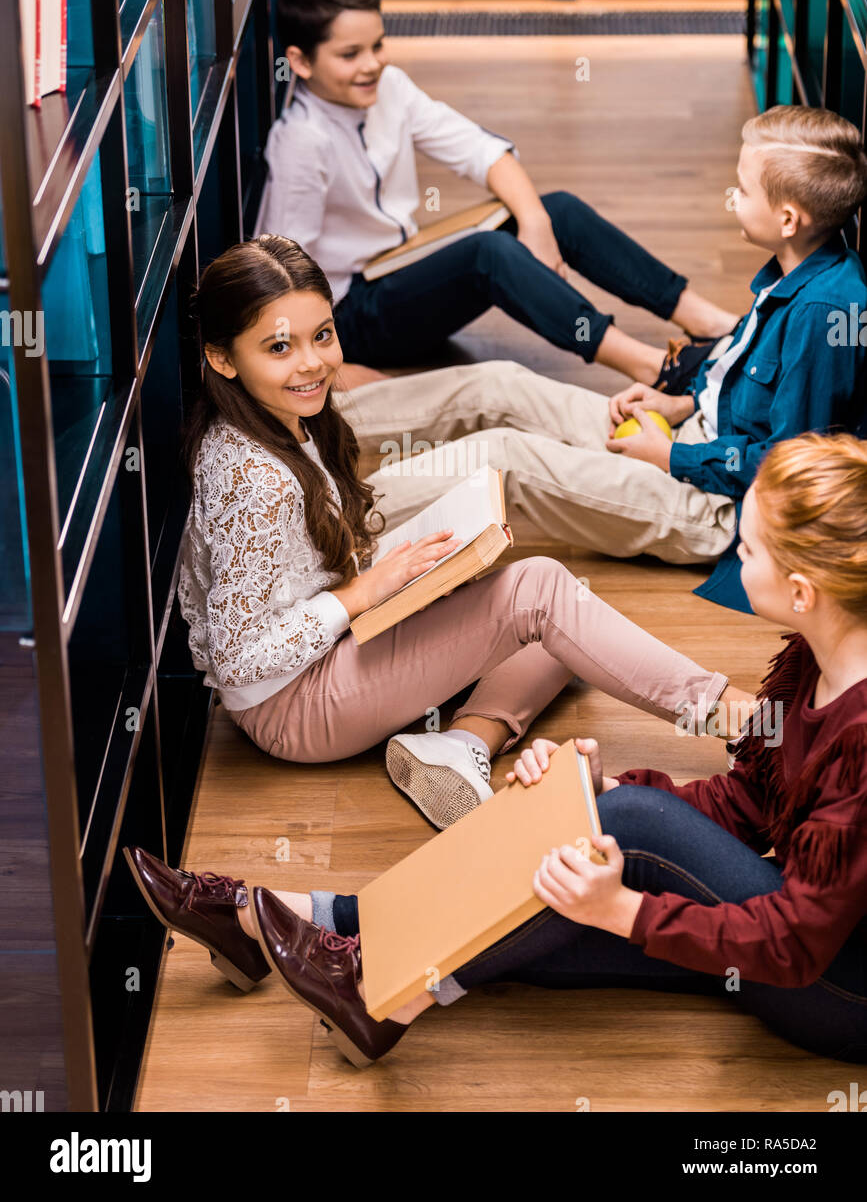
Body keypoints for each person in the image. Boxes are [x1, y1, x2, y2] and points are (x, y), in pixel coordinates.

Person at [129, 431, 867, 1067]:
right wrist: (595, 794)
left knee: (616, 846)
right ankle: (310, 931)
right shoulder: (812, 658)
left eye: (748, 549)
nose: (735, 558)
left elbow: (795, 946)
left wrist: (624, 907)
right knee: (564, 883)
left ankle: (370, 985)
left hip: (835, 987)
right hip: (798, 940)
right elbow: (747, 801)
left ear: (802, 591)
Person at [176, 234, 751, 826]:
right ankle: (741, 720)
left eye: (322, 335)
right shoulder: (253, 478)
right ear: (222, 357)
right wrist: (363, 593)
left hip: (327, 646)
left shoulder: (277, 415)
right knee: (546, 596)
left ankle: (461, 744)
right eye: (279, 347)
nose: (313, 362)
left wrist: (391, 580)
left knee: (567, 619)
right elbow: (239, 658)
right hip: (294, 705)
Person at [332, 103, 867, 612]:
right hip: (686, 437)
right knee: (497, 382)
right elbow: (743, 379)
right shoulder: (791, 269)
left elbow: (788, 469)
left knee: (505, 460)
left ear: (789, 218)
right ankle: (309, 427)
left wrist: (670, 457)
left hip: (716, 506)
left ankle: (327, 527)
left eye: (743, 190)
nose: (732, 197)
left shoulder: (824, 311)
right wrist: (676, 404)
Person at [253, 0, 738, 390]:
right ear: (299, 61)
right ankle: (655, 368)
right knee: (488, 255)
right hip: (349, 316)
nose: (373, 63)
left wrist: (536, 225)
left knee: (557, 210)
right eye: (350, 54)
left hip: (400, 264)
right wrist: (327, 369)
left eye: (378, 45)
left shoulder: (392, 88)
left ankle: (711, 322)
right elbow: (279, 279)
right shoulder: (301, 142)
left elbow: (482, 152)